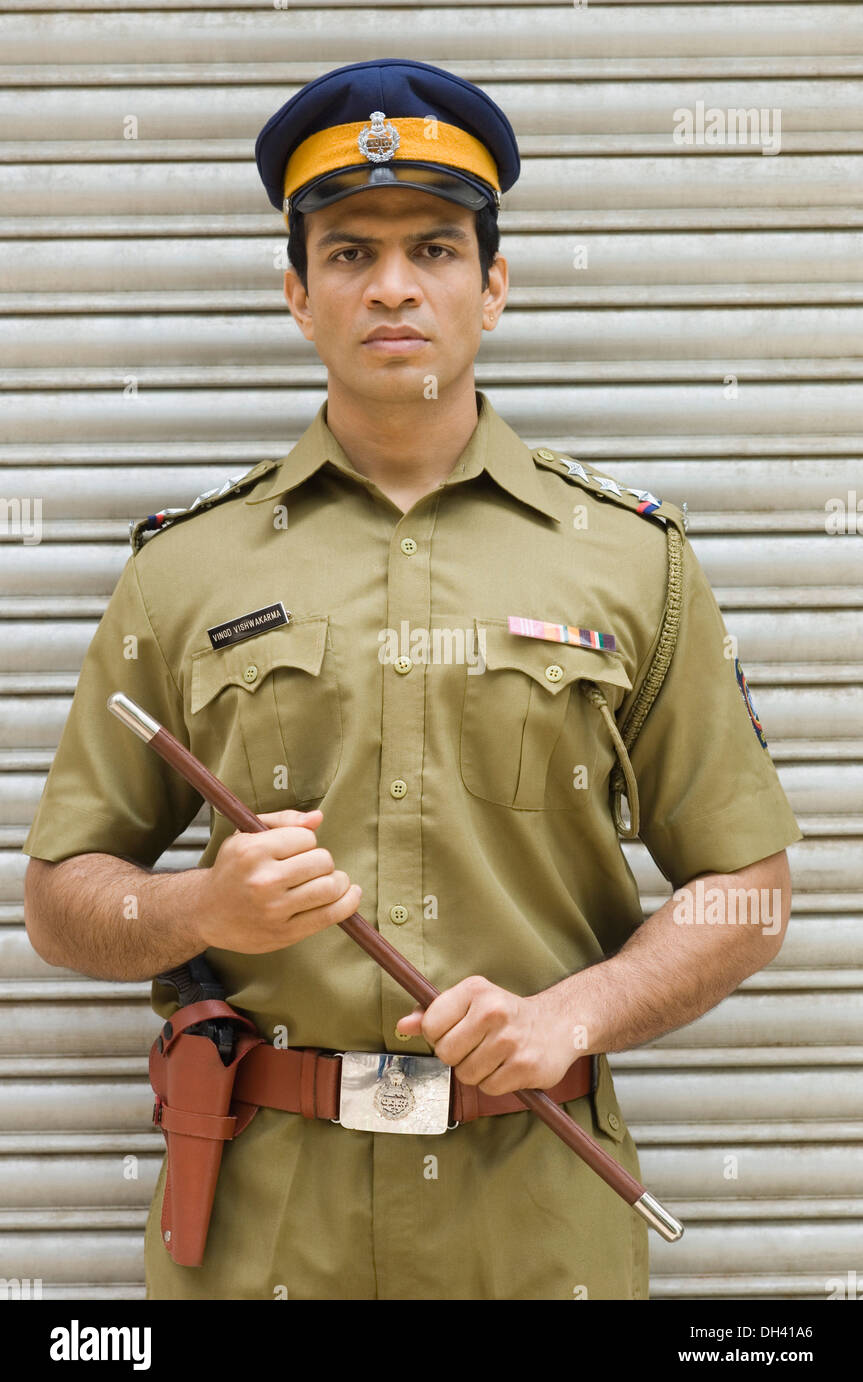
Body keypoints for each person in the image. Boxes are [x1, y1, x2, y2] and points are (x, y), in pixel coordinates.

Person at [22, 58, 801, 1301]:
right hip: (260, 1224)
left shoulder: (630, 559)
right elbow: (62, 897)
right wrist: (199, 913)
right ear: (295, 292)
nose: (392, 285)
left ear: (493, 285)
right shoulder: (184, 569)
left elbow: (747, 890)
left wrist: (577, 1013)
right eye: (346, 253)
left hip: (535, 1220)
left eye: (434, 248)